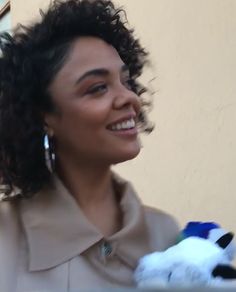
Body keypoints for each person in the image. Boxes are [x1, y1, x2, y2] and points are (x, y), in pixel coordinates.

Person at [0, 0, 179, 290]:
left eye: (126, 81)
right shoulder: (5, 238)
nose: (129, 99)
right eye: (97, 88)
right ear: (43, 116)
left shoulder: (167, 236)